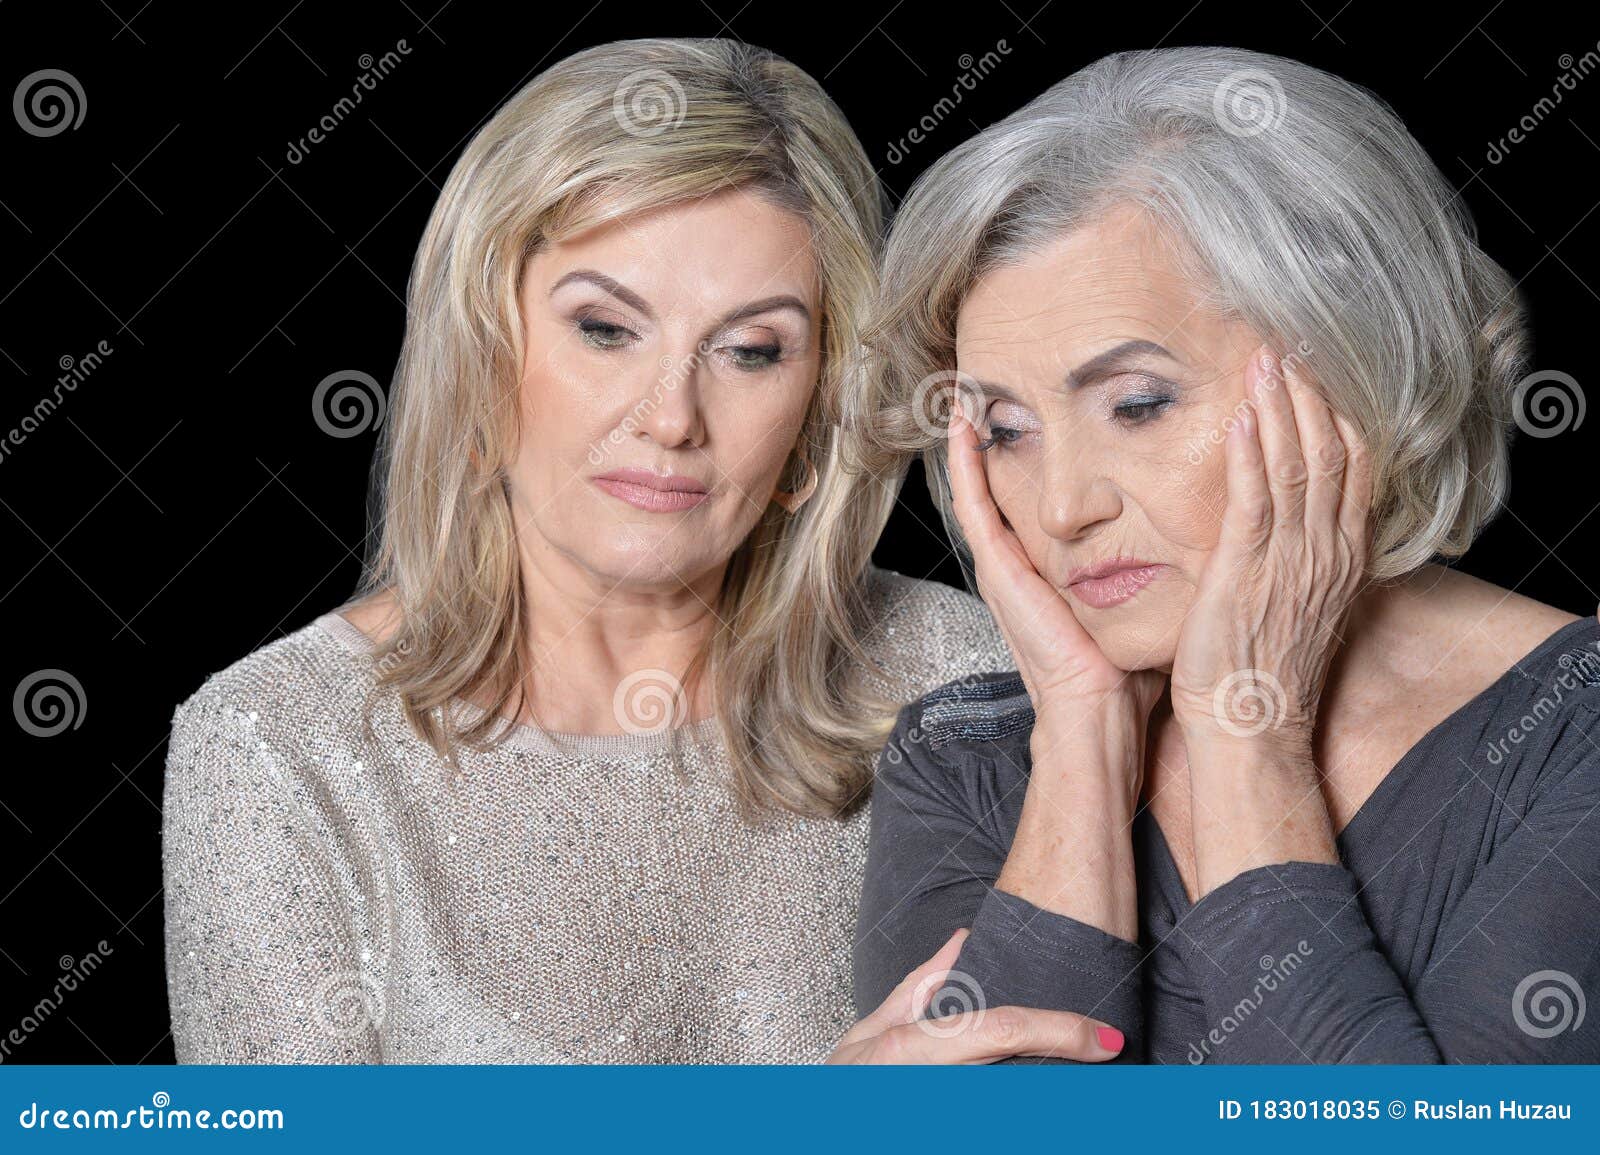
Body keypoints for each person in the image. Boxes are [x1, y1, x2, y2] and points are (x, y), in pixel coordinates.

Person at [160, 38, 1030, 1064]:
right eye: (606, 329)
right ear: (482, 349)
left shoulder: (959, 679)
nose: (672, 418)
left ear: (820, 402)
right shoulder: (280, 747)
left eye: (753, 351)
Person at [852, 46, 1600, 1063]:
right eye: (1005, 431)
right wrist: (1078, 747)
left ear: (1352, 368)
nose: (1064, 506)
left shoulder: (1574, 737)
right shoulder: (964, 764)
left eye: (1137, 404)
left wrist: (1248, 739)